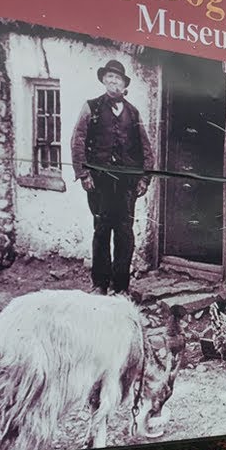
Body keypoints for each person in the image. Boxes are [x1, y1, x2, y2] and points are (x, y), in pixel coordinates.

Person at [70, 59, 155, 295]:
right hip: (99, 183)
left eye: (117, 78)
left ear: (123, 83)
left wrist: (144, 179)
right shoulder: (91, 107)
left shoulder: (133, 112)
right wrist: (84, 174)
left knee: (125, 234)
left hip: (127, 185)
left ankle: (121, 287)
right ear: (104, 80)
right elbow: (77, 142)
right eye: (109, 77)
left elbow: (146, 149)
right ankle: (99, 284)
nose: (112, 81)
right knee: (101, 231)